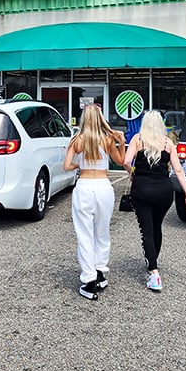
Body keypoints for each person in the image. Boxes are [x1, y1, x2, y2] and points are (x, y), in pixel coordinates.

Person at [124, 109, 186, 292]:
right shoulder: (167, 143)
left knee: (146, 230)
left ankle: (154, 272)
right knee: (157, 227)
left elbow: (125, 161)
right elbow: (178, 170)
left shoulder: (137, 140)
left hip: (141, 190)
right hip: (164, 191)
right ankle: (154, 260)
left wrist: (132, 173)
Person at [63, 104, 126, 300]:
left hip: (84, 186)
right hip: (103, 186)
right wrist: (121, 143)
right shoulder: (107, 139)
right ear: (100, 119)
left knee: (85, 234)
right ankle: (100, 270)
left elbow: (66, 166)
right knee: (102, 232)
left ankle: (89, 280)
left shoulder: (77, 140)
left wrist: (80, 163)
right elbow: (121, 160)